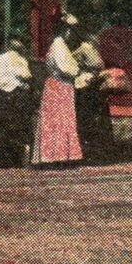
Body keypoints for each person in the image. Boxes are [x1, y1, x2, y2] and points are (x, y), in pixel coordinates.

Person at [32, 15, 84, 167]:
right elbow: (65, 67)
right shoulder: (59, 45)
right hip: (59, 85)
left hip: (61, 86)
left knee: (61, 120)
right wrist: (77, 70)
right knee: (58, 121)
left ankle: (61, 155)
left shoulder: (61, 46)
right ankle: (55, 156)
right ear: (66, 30)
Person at [0, 40, 33, 167]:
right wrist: (15, 84)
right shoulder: (1, 59)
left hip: (20, 97)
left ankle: (17, 160)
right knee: (5, 126)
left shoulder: (22, 60)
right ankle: (2, 160)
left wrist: (22, 84)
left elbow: (27, 75)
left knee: (19, 127)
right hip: (6, 96)